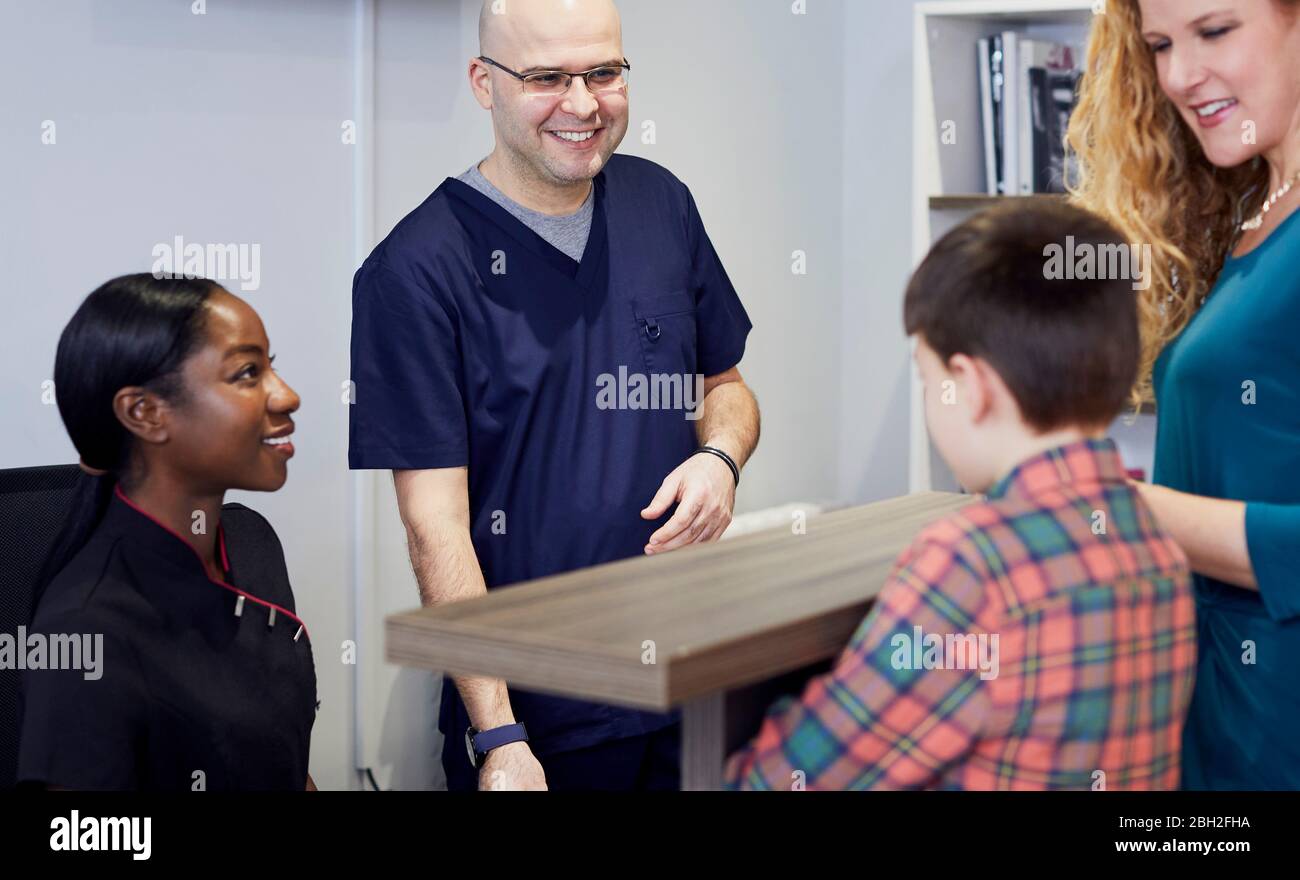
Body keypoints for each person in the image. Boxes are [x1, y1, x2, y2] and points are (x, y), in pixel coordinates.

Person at [348, 0, 759, 790]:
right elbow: (435, 527)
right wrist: (498, 735)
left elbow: (729, 389)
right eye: (546, 78)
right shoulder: (416, 270)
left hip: (684, 680)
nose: (582, 105)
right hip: (542, 718)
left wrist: (720, 458)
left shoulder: (660, 204)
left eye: (603, 73)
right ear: (484, 83)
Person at [725, 202, 1196, 790]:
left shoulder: (972, 565)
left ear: (969, 389)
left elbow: (794, 776)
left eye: (928, 379)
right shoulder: (1157, 542)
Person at [1068, 0, 1300, 789]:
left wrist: (1119, 508)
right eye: (1160, 46)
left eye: (1215, 31)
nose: (1177, 76)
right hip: (1217, 719)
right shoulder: (1254, 218)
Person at [18, 274, 317, 791]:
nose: (287, 396)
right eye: (248, 373)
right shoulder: (86, 630)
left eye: (272, 365)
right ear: (145, 413)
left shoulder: (251, 542)